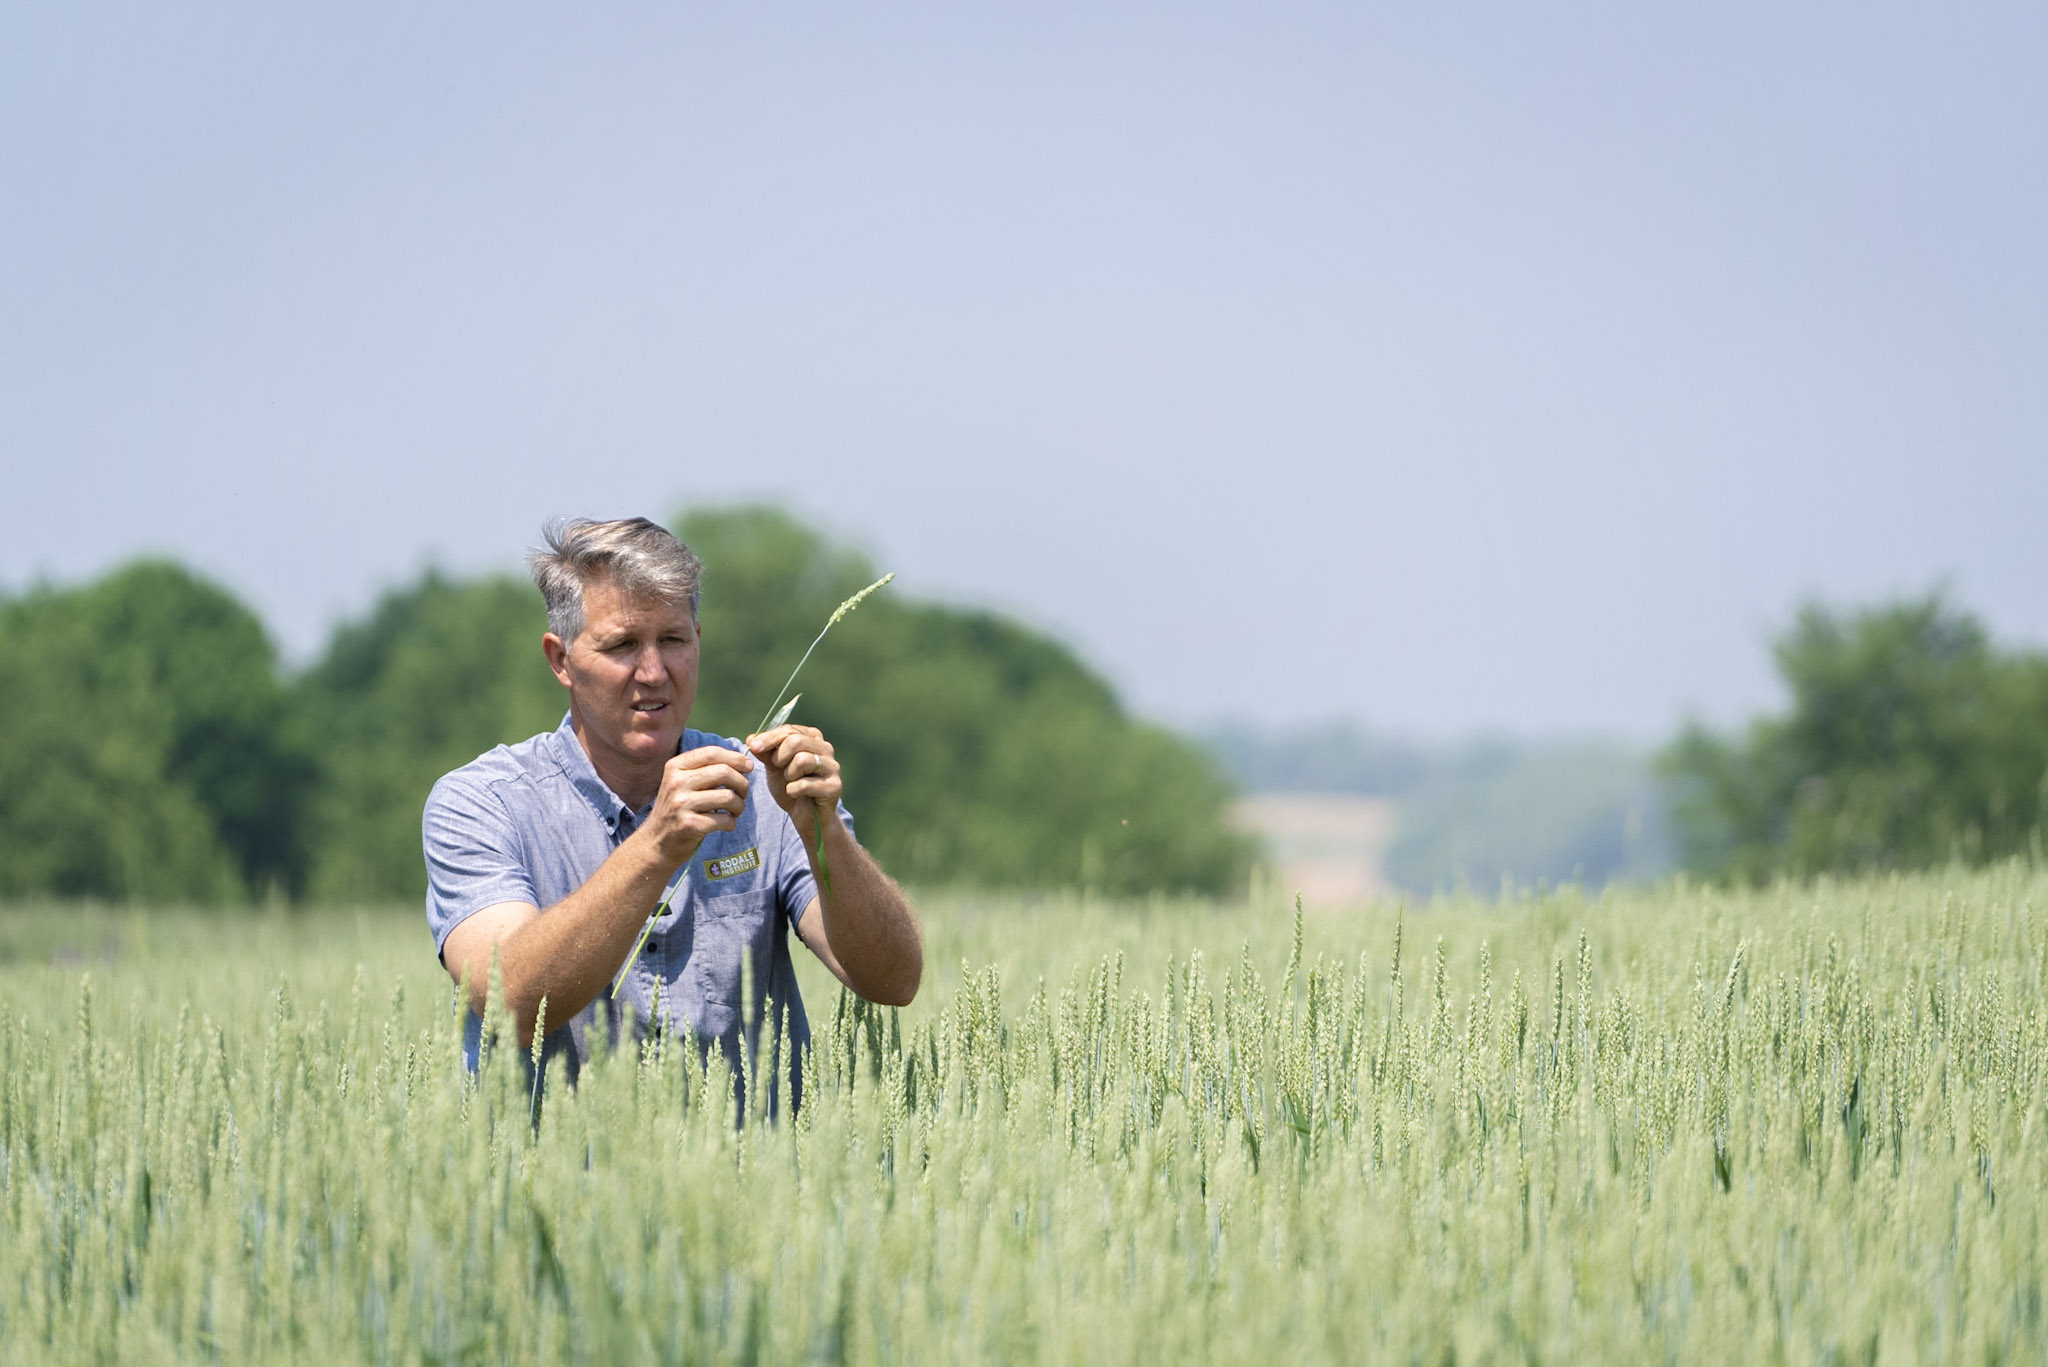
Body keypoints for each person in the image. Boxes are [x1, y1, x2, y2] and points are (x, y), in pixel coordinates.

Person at [422, 516, 922, 1101]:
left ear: (699, 641)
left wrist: (824, 833)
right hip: (555, 1180)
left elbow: (892, 979)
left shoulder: (763, 788)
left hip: (743, 1181)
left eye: (674, 641)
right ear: (561, 660)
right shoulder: (480, 801)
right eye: (623, 645)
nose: (655, 672)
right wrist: (658, 846)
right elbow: (508, 1000)